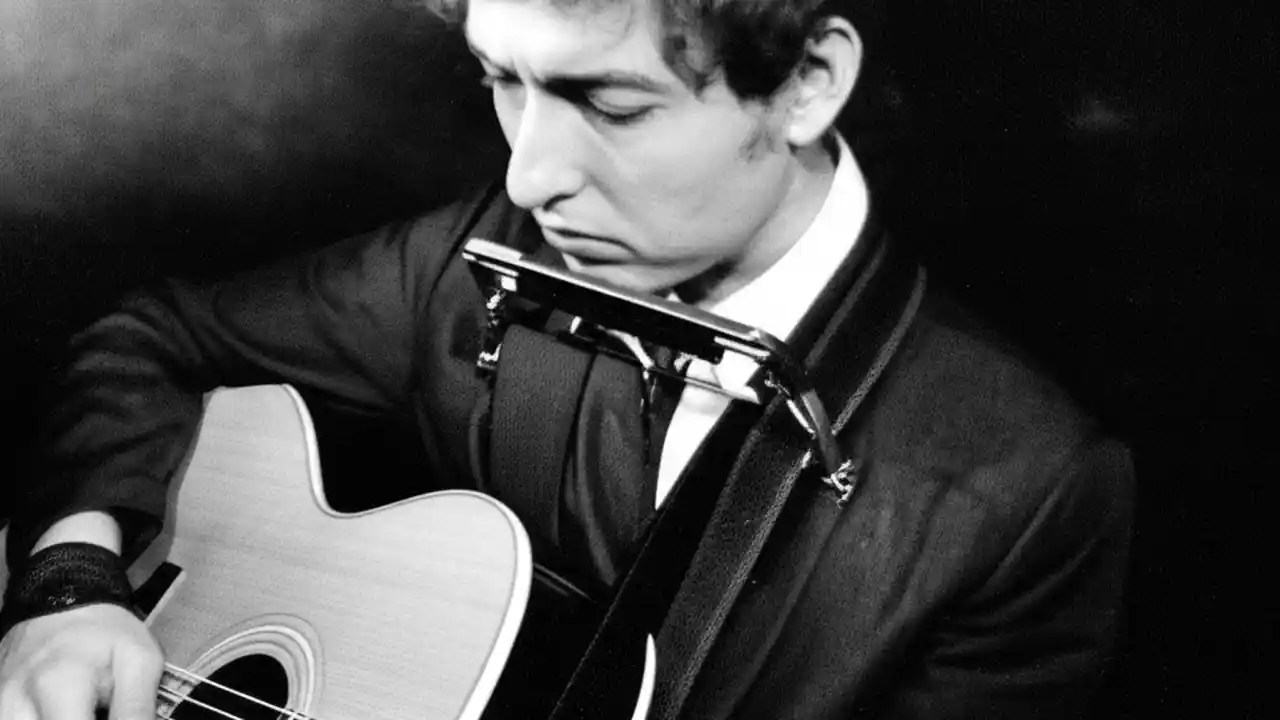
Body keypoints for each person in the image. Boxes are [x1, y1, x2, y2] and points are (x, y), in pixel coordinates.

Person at [0, 0, 1134, 718]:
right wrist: (70, 582)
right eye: (504, 79)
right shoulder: (471, 258)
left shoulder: (1024, 491)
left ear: (805, 84)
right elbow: (154, 338)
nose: (534, 174)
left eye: (608, 103)